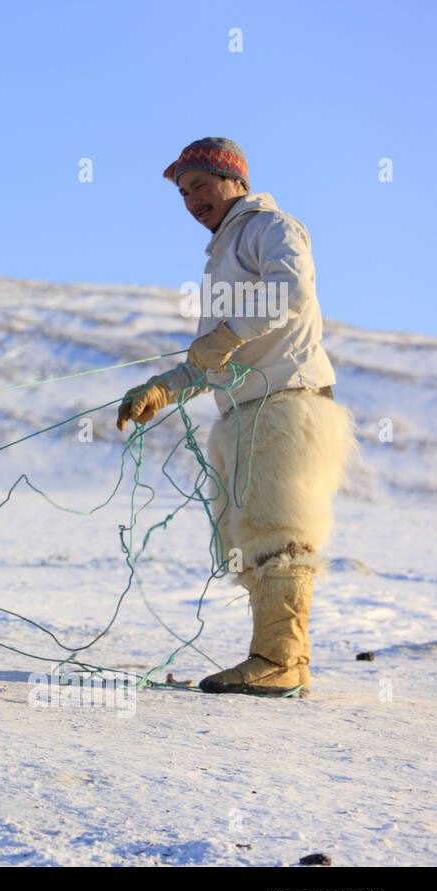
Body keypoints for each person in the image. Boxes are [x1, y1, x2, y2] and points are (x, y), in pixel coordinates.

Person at [117, 137, 356, 697]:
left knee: (278, 532)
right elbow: (219, 357)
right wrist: (165, 388)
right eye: (183, 191)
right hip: (248, 411)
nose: (191, 199)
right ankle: (281, 659)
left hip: (285, 406)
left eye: (200, 184)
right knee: (251, 535)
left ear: (235, 181)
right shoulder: (226, 250)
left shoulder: (270, 227)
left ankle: (276, 659)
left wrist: (222, 337)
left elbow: (291, 290)